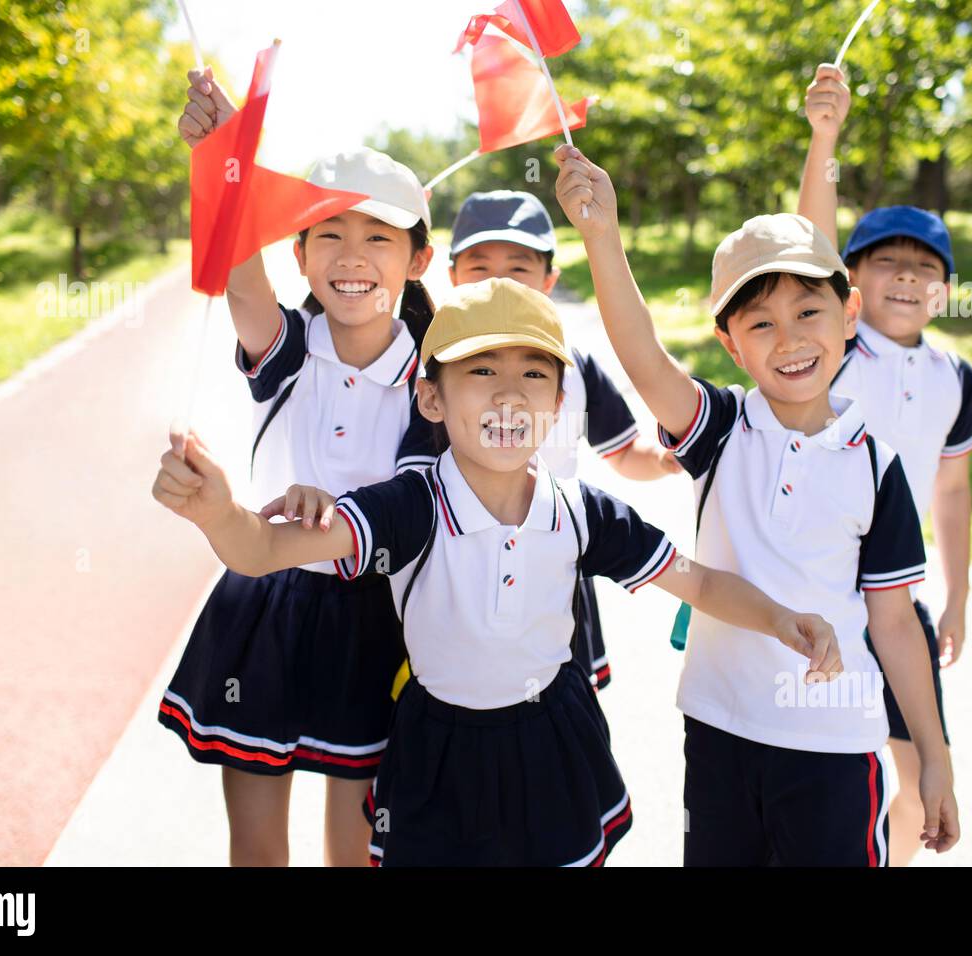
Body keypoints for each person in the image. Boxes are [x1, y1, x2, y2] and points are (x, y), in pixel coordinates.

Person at [151, 277, 844, 866]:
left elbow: (696, 581)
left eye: (533, 374)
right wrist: (217, 513)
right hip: (435, 749)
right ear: (432, 399)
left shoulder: (582, 513)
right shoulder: (409, 505)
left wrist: (783, 619)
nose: (510, 395)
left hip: (552, 738)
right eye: (482, 371)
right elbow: (263, 551)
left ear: (558, 401)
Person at [553, 143, 960, 865]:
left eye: (809, 310)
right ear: (731, 344)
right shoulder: (720, 427)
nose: (791, 338)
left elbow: (895, 624)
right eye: (760, 323)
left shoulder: (877, 464)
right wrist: (602, 237)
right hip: (720, 726)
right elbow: (643, 356)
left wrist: (934, 756)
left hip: (835, 744)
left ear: (848, 313)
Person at [161, 68, 434, 867]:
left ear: (417, 258)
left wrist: (338, 508)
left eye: (378, 237)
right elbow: (238, 275)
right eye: (330, 235)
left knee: (354, 851)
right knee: (256, 848)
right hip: (265, 604)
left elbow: (410, 508)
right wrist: (218, 157)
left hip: (374, 619)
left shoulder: (435, 382)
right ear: (302, 253)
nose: (354, 257)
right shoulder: (283, 350)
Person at [797, 63, 972, 866]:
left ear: (943, 292)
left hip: (900, 607)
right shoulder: (833, 351)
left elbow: (954, 487)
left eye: (925, 267)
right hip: (817, 593)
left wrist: (960, 599)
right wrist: (824, 140)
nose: (906, 275)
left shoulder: (954, 378)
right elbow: (812, 247)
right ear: (853, 290)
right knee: (813, 772)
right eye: (885, 262)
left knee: (917, 776)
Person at [446, 188, 681, 690]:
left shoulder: (574, 364)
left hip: (556, 559)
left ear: (549, 280)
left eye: (518, 267)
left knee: (563, 711)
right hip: (457, 564)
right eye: (479, 267)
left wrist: (663, 459)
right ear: (452, 278)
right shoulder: (438, 367)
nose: (499, 283)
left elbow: (624, 452)